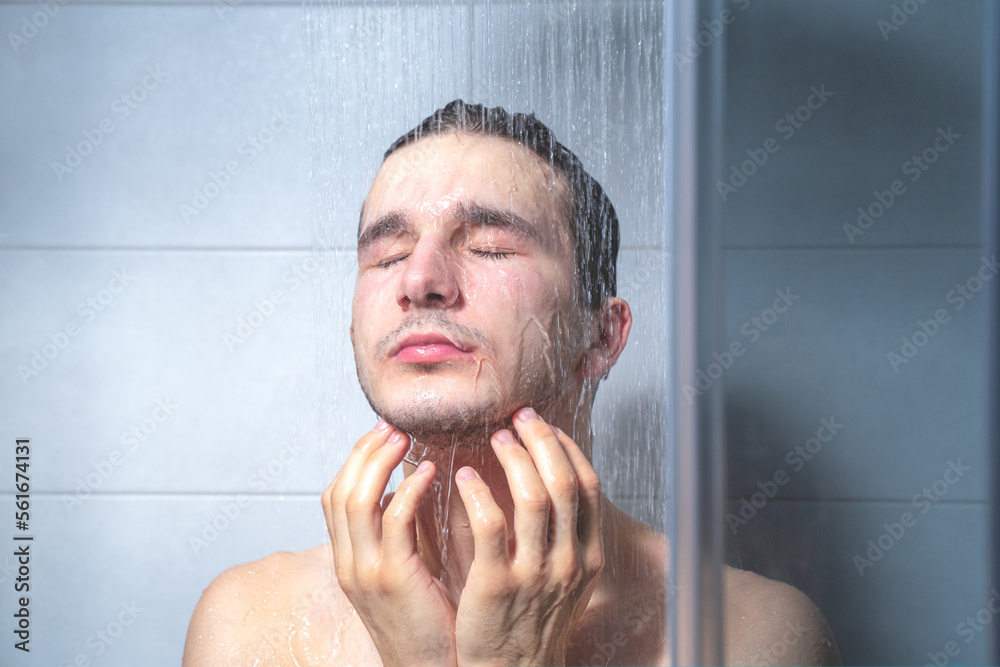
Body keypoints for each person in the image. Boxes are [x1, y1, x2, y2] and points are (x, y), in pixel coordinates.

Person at [182, 100, 841, 666]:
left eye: (490, 247)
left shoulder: (748, 633)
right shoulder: (251, 624)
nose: (420, 280)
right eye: (387, 253)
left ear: (601, 335)